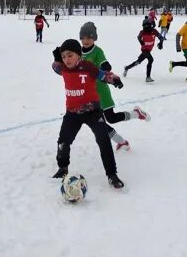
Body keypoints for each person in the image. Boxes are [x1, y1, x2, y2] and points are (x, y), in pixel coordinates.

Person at [51, 38, 125, 188]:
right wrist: (57, 58)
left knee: (103, 140)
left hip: (93, 112)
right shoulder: (63, 68)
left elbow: (103, 75)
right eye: (64, 56)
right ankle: (63, 168)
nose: (67, 59)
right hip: (72, 113)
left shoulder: (87, 67)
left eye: (70, 55)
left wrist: (114, 79)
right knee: (63, 141)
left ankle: (112, 174)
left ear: (79, 55)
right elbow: (55, 66)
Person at [80, 22, 150, 151]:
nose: (86, 40)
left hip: (101, 92)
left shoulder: (97, 51)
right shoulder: (78, 52)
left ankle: (136, 114)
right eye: (83, 37)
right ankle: (122, 142)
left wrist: (104, 68)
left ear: (94, 38)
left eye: (89, 37)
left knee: (110, 118)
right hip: (88, 95)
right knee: (99, 123)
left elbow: (105, 63)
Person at [123, 18, 164, 83]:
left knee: (138, 62)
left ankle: (127, 68)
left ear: (151, 25)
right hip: (144, 50)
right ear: (143, 26)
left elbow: (161, 37)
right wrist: (141, 42)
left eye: (148, 25)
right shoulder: (142, 32)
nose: (147, 27)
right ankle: (148, 77)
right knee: (151, 60)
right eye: (145, 26)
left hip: (149, 50)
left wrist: (161, 43)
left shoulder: (154, 31)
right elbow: (138, 37)